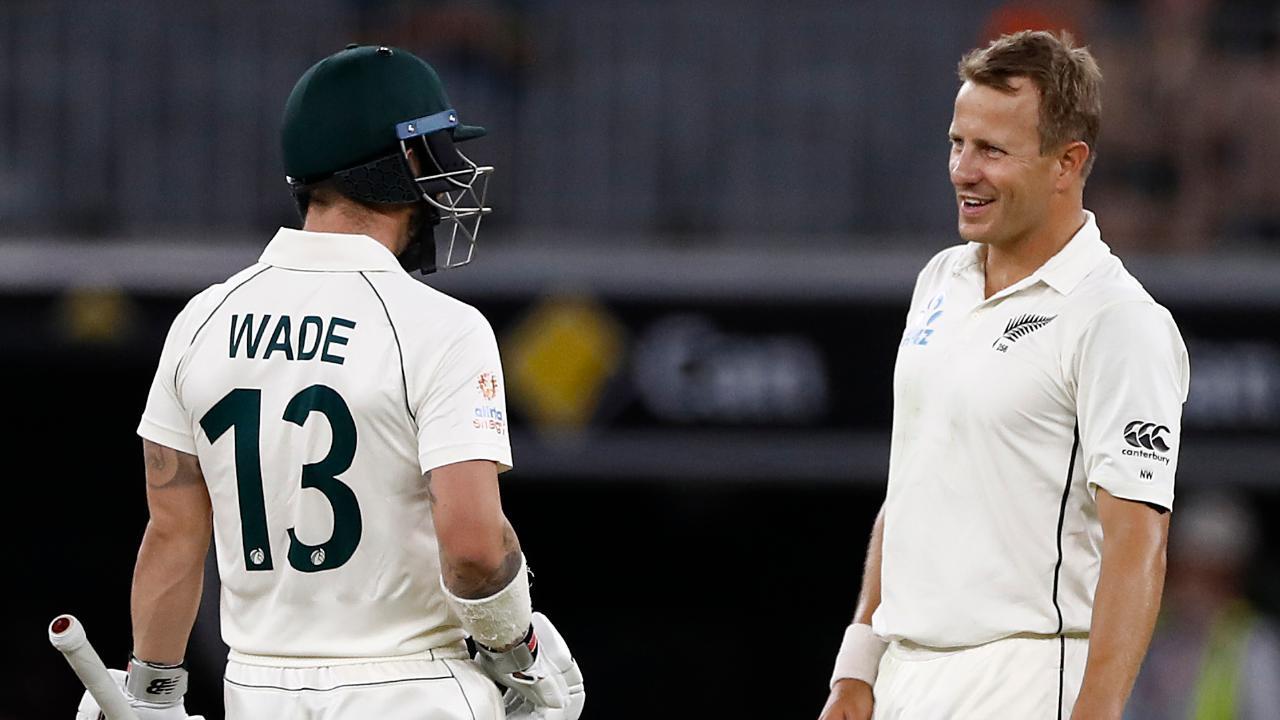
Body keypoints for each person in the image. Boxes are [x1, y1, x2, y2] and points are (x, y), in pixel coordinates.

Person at [74, 44, 584, 720]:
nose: (448, 172)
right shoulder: (441, 327)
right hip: (413, 688)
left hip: (257, 690)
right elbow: (474, 548)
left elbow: (172, 535)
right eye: (434, 150)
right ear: (403, 162)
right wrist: (517, 653)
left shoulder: (203, 319)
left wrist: (151, 693)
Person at [818, 30, 1189, 720]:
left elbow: (1139, 543)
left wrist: (1097, 711)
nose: (964, 170)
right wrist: (857, 667)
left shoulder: (1117, 321)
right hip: (903, 676)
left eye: (991, 150)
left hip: (1024, 681)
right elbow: (913, 484)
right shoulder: (939, 282)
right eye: (958, 143)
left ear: (1066, 164)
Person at [1126, 491, 1280, 719]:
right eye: (1185, 573)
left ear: (1233, 580)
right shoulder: (1144, 633)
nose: (1193, 589)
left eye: (1209, 576)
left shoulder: (1257, 647)